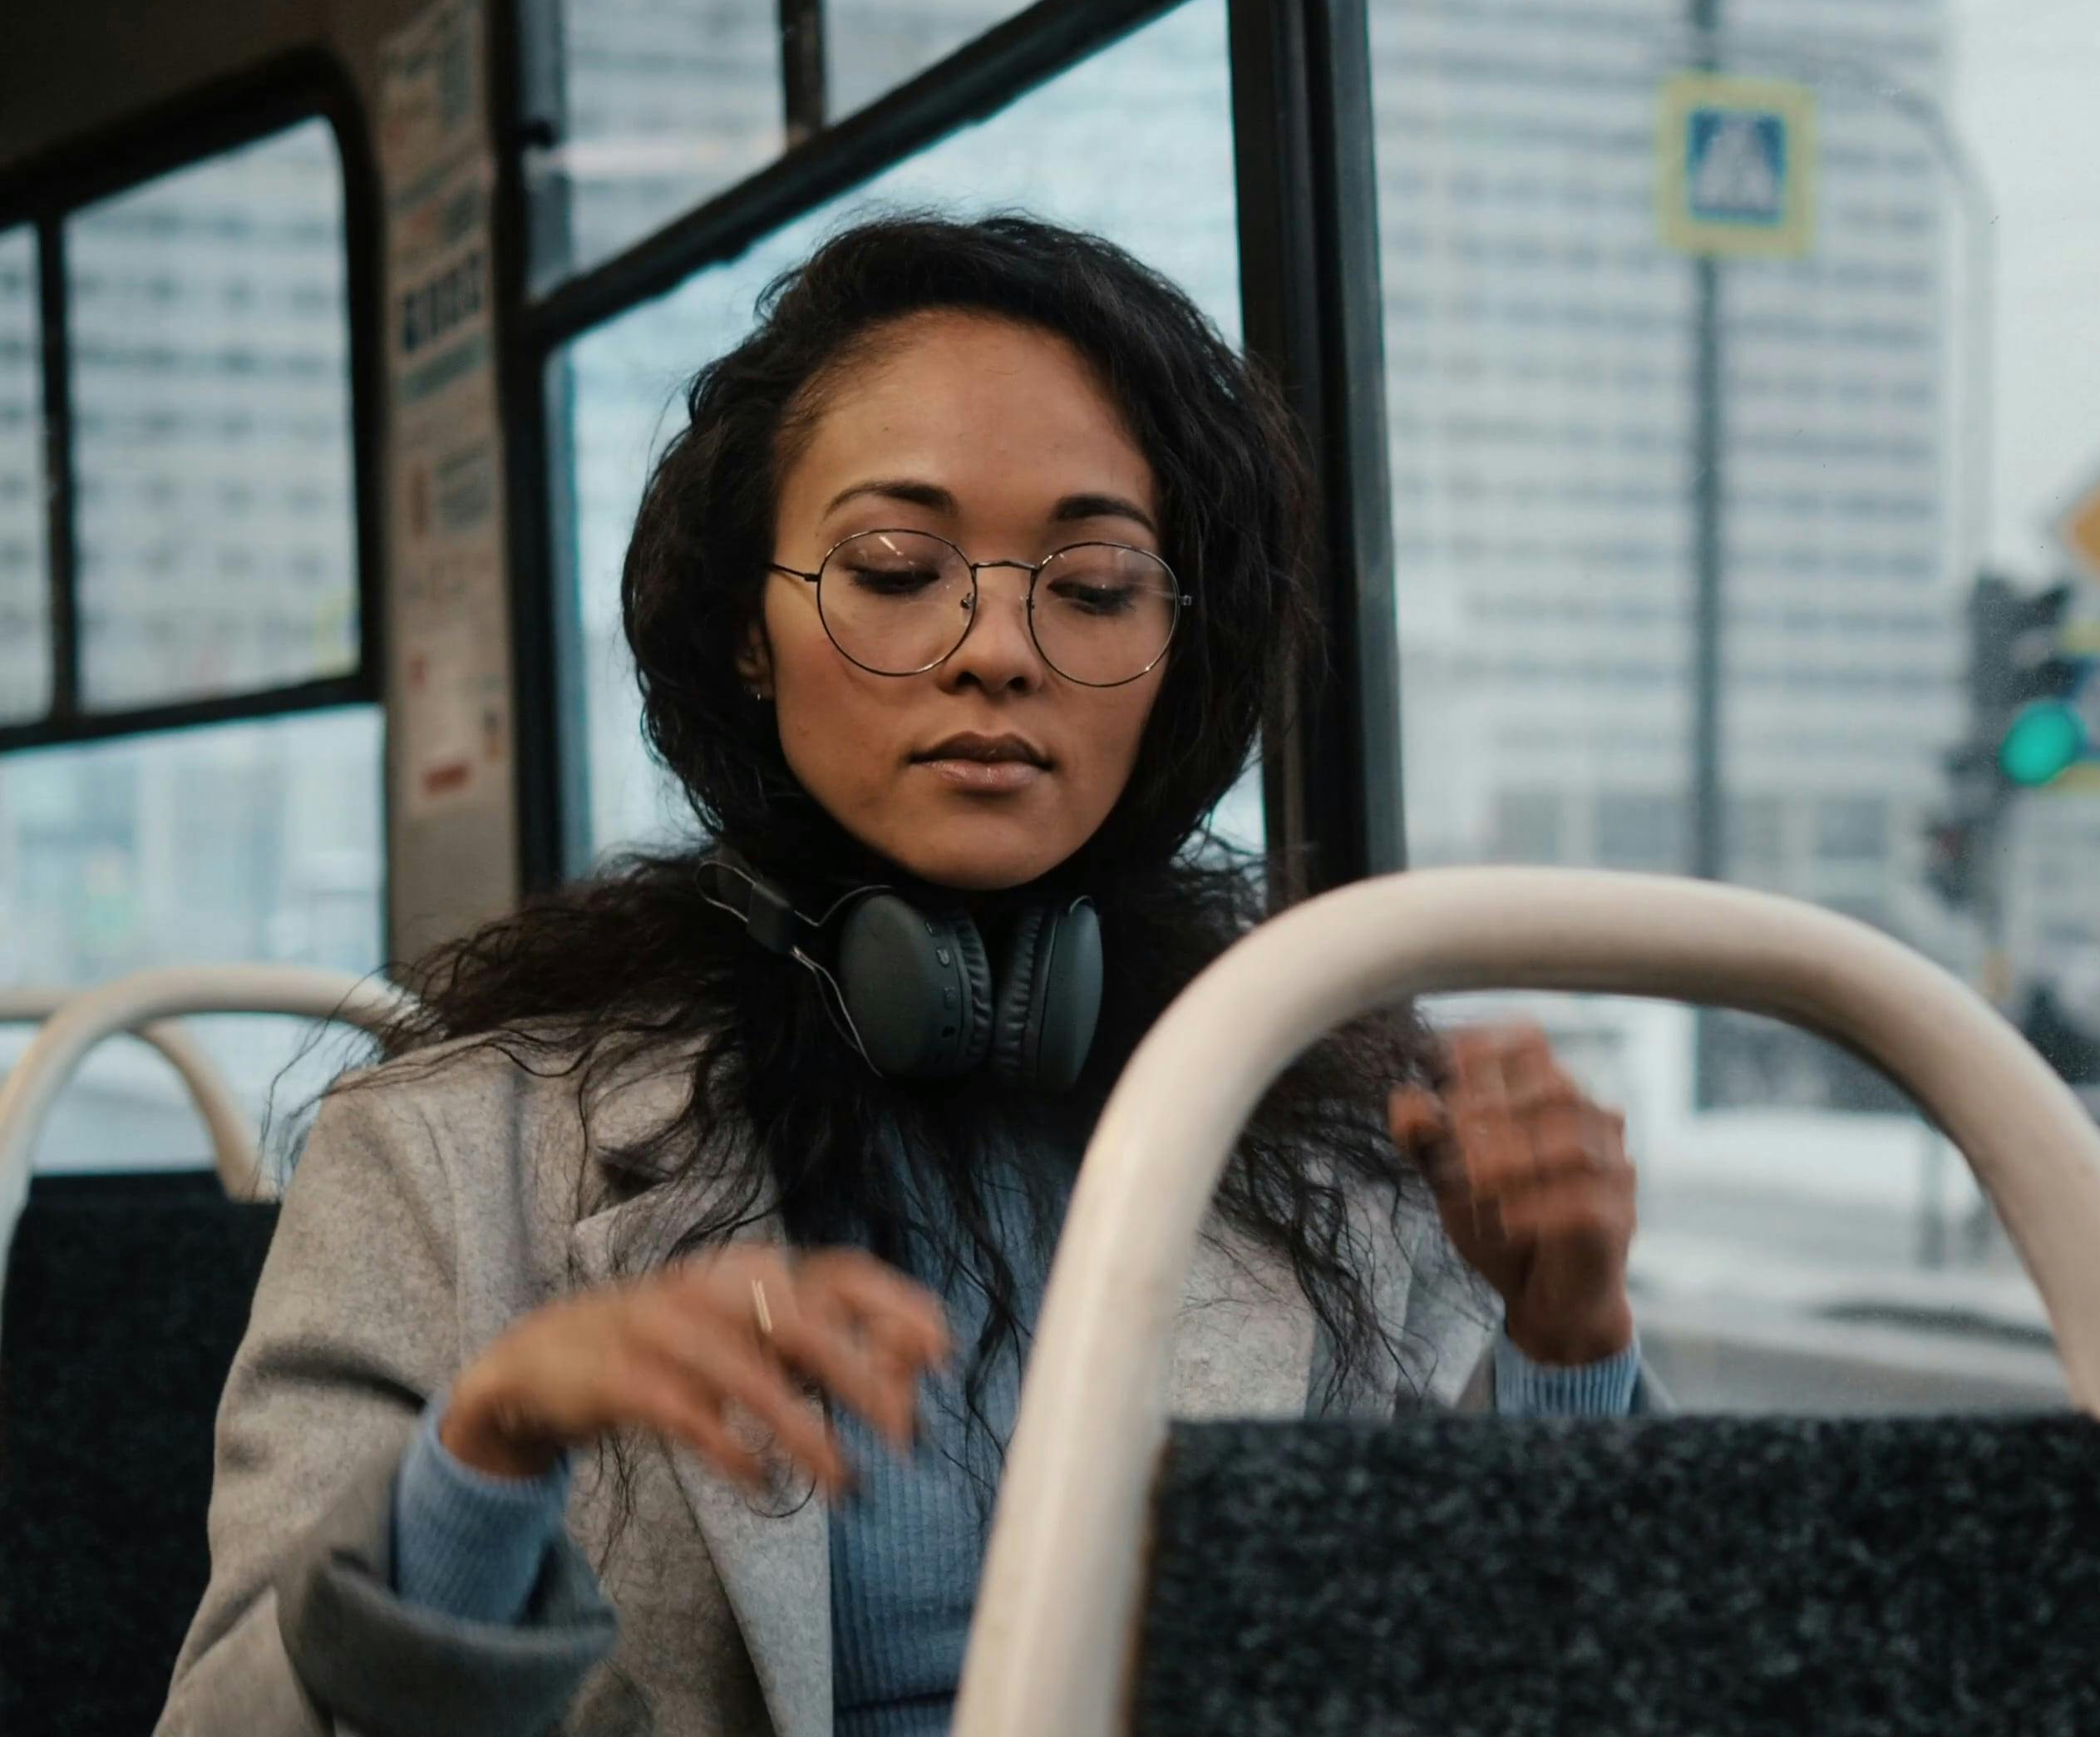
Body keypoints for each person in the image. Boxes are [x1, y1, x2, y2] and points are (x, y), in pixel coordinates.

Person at [157, 215, 1650, 1737]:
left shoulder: (1343, 1132)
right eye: (893, 565)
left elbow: (1555, 1684)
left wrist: (1570, 1343)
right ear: (751, 627)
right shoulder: (444, 1157)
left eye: (1092, 586)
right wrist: (490, 1456)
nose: (997, 647)